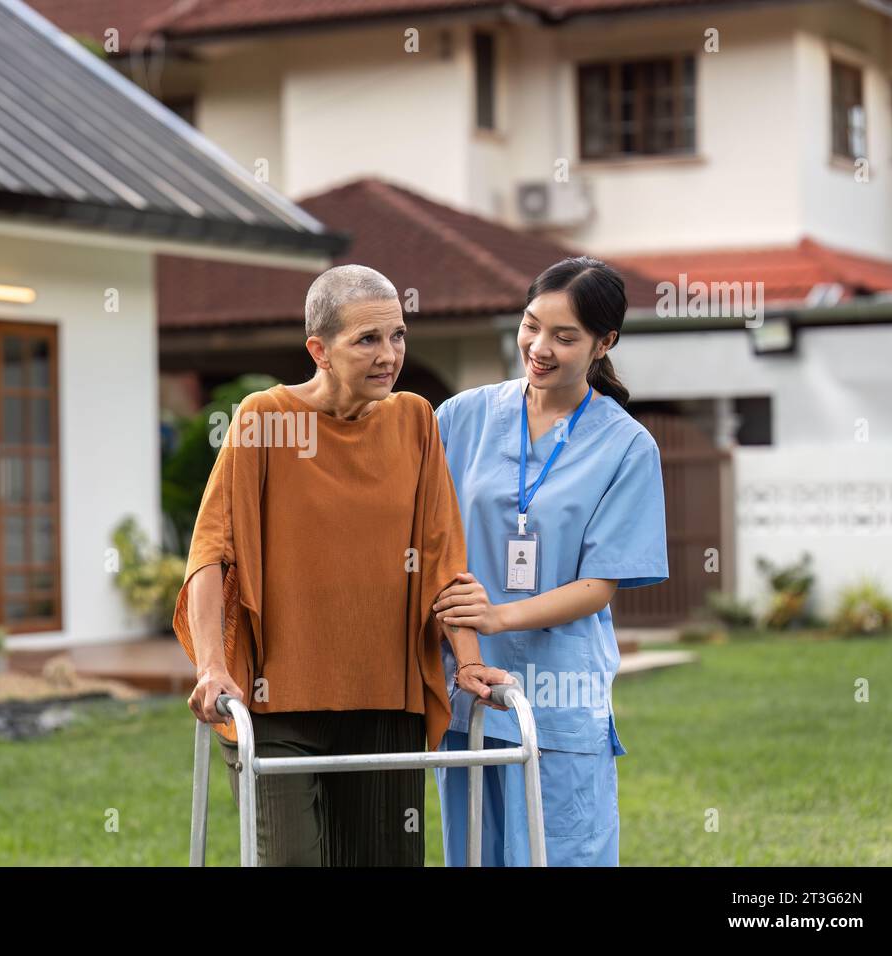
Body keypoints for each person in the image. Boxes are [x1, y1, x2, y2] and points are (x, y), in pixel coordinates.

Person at [171, 264, 511, 866]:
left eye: (398, 336)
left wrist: (472, 661)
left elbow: (442, 560)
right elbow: (210, 555)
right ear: (319, 350)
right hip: (276, 702)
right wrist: (212, 668)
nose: (389, 355)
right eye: (368, 340)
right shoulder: (264, 418)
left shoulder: (415, 422)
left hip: (386, 698)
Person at [431, 256, 669, 866]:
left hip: (560, 693)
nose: (539, 347)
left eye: (565, 337)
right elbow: (433, 547)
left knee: (562, 855)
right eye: (531, 325)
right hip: (471, 686)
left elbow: (597, 585)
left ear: (603, 342)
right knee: (475, 854)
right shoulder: (462, 417)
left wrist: (498, 617)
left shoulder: (626, 447)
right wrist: (470, 644)